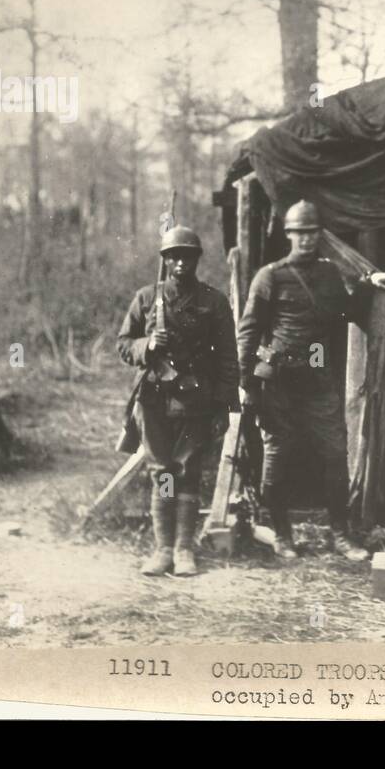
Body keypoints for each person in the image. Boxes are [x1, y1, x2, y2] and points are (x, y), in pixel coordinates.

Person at [237, 199, 385, 562]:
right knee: (277, 459)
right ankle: (282, 536)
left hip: (319, 382)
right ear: (288, 234)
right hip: (279, 384)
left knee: (335, 456)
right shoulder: (270, 276)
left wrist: (369, 283)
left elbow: (349, 312)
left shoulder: (329, 274)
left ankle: (341, 535)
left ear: (319, 235)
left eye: (311, 233)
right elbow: (248, 332)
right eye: (299, 233)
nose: (305, 240)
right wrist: (245, 384)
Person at [117, 226, 240, 577]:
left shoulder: (213, 302)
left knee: (187, 472)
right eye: (174, 256)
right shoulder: (146, 299)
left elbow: (228, 359)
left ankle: (185, 549)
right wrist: (148, 346)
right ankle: (163, 549)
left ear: (196, 259)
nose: (181, 262)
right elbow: (123, 343)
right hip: (154, 400)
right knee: (162, 473)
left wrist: (224, 405)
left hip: (195, 402)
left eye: (187, 255)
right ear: (166, 260)